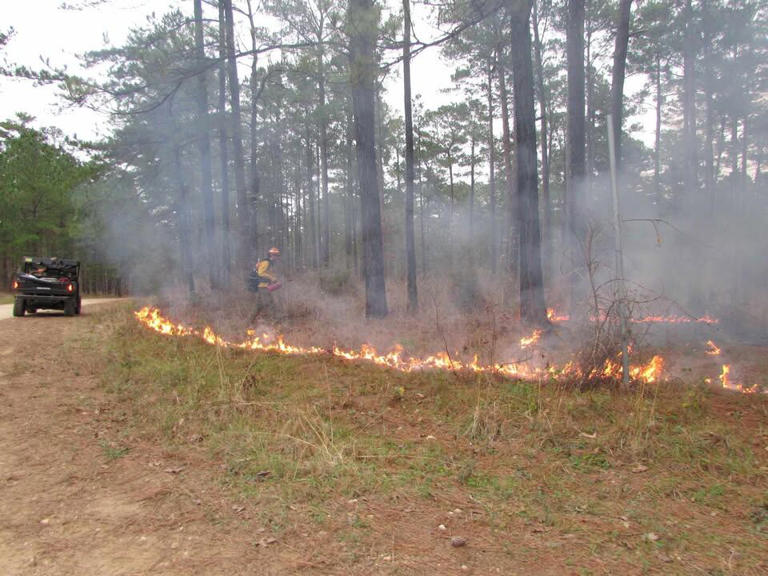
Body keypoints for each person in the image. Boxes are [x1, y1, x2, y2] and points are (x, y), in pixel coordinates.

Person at [248, 247, 282, 319]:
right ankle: (275, 321)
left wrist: (274, 279)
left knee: (258, 306)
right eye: (276, 255)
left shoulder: (269, 263)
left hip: (263, 286)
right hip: (263, 287)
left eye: (277, 255)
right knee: (270, 304)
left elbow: (266, 272)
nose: (277, 257)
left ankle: (249, 322)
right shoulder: (266, 262)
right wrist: (272, 278)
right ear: (271, 255)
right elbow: (261, 273)